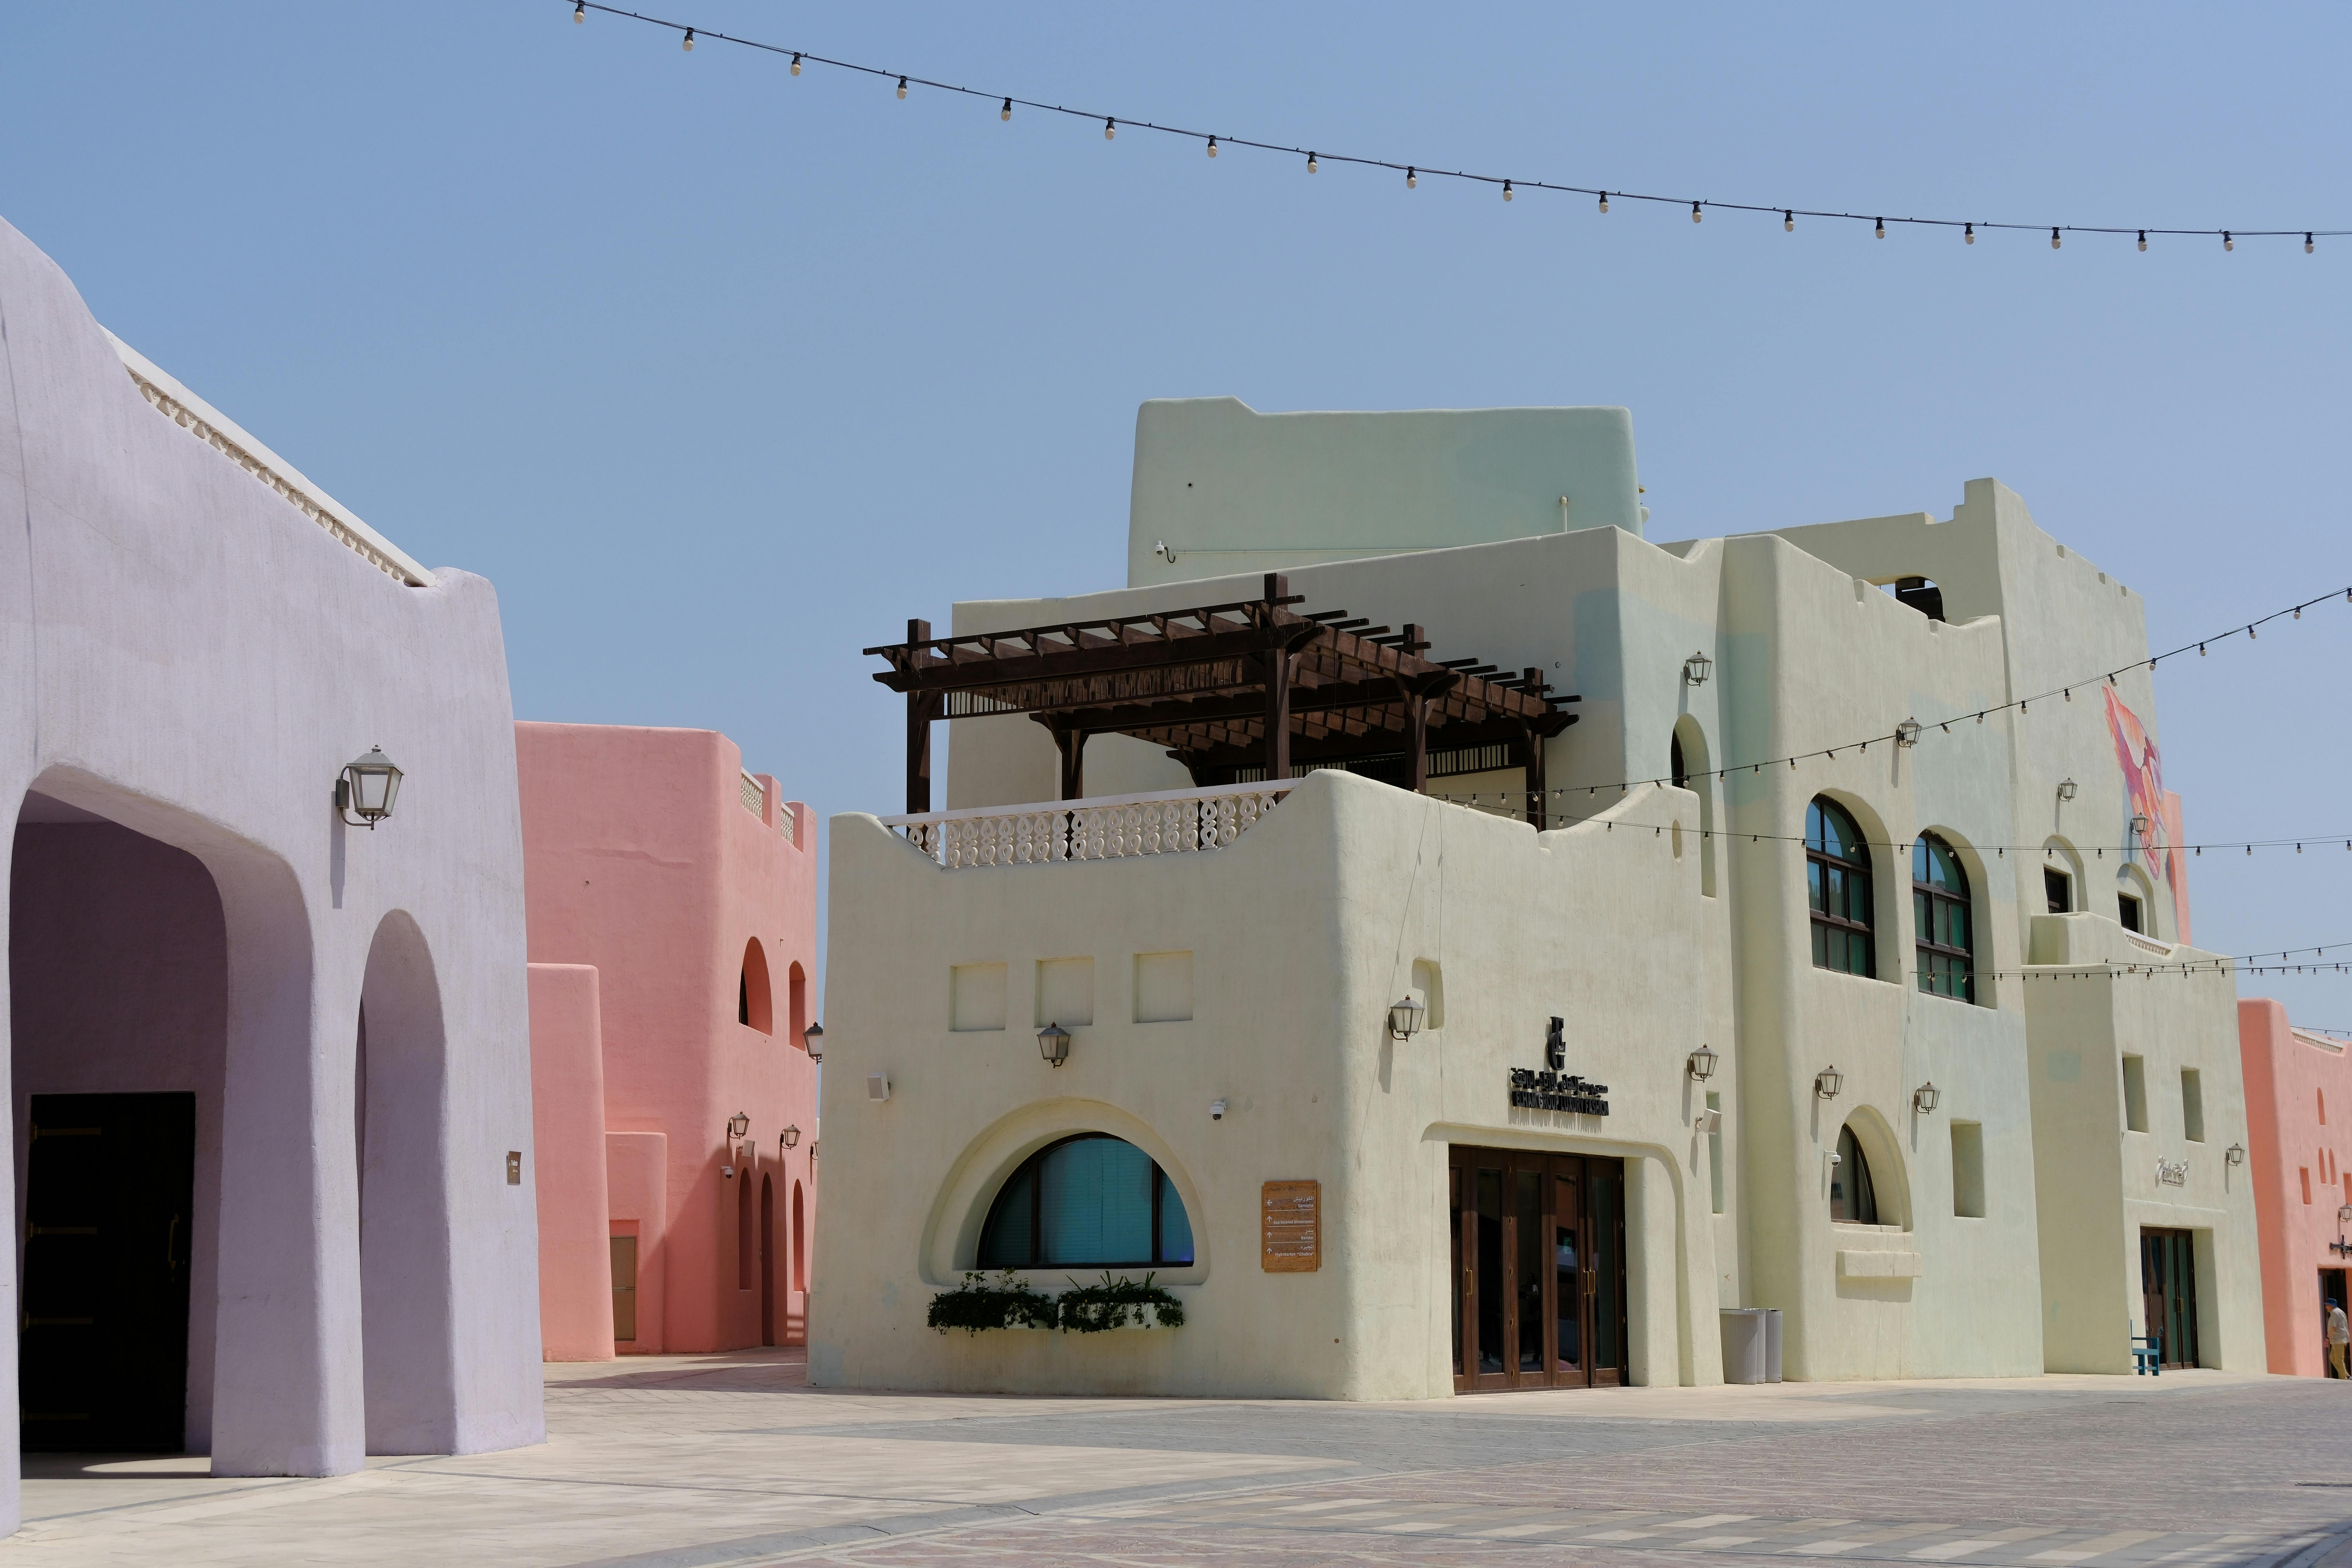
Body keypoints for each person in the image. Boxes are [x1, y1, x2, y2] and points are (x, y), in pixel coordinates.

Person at [2330, 1298, 2350, 1381]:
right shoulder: (2340, 1312)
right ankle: (2346, 1375)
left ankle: (2343, 1378)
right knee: (2333, 1358)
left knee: (2338, 1360)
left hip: (2338, 1339)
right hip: (2338, 1339)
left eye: (2327, 1305)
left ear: (2331, 1306)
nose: (2326, 1307)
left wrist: (2328, 1338)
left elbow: (2333, 1327)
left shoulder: (2335, 1313)